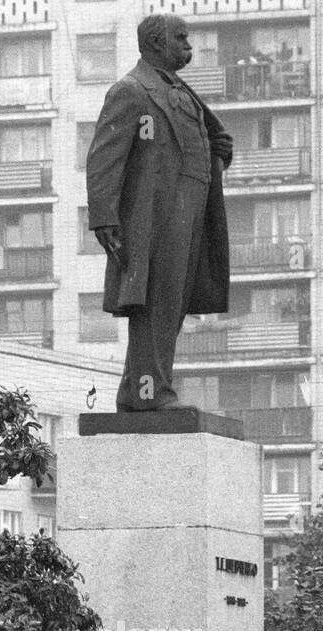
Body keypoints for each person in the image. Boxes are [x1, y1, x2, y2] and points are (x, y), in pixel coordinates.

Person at [86, 14, 234, 411]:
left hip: (190, 215)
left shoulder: (179, 90)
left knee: (171, 305)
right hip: (153, 218)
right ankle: (152, 395)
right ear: (155, 43)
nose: (189, 46)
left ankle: (134, 392)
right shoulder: (132, 91)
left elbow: (217, 136)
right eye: (181, 38)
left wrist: (215, 159)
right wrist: (104, 218)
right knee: (155, 304)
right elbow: (104, 158)